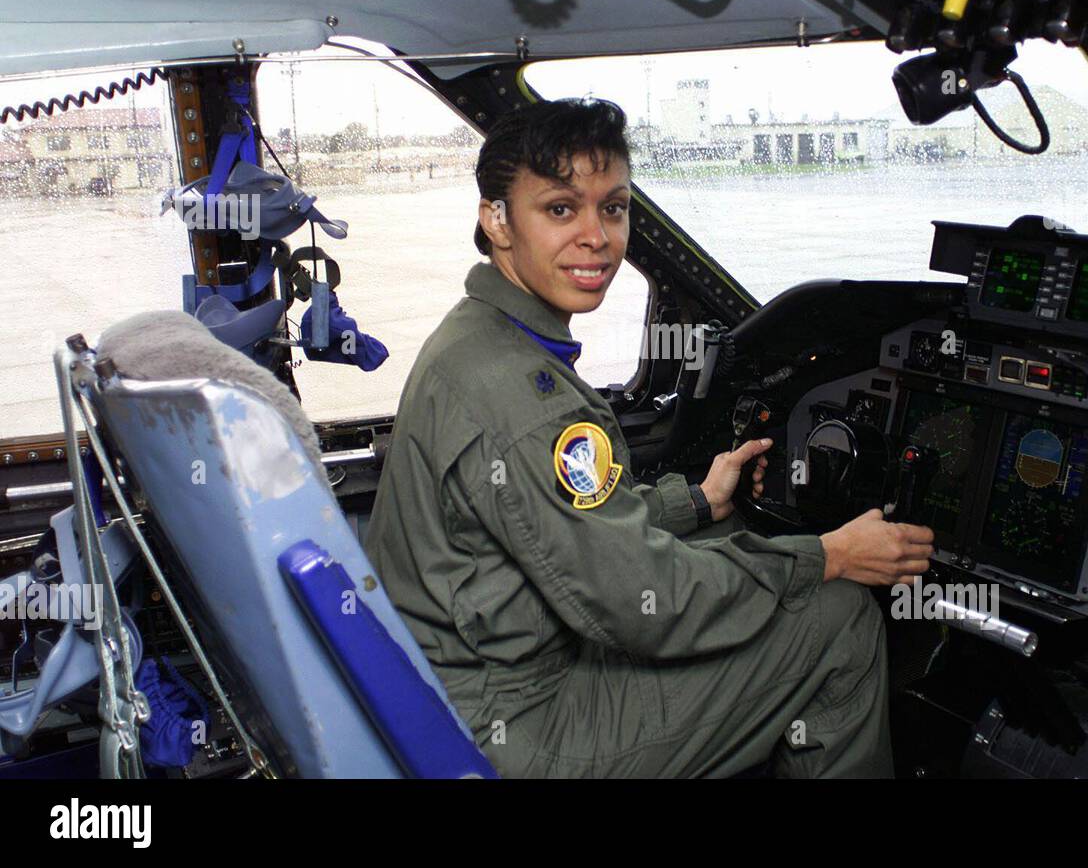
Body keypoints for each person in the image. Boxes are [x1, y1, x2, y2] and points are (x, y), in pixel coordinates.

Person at [364, 98, 935, 777]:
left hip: (453, 693)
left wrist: (696, 501)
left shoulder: (477, 338)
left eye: (613, 207)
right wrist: (830, 555)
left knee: (725, 541)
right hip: (514, 728)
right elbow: (649, 605)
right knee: (837, 614)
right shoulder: (528, 398)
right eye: (559, 209)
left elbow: (560, 527)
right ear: (497, 220)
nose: (597, 236)